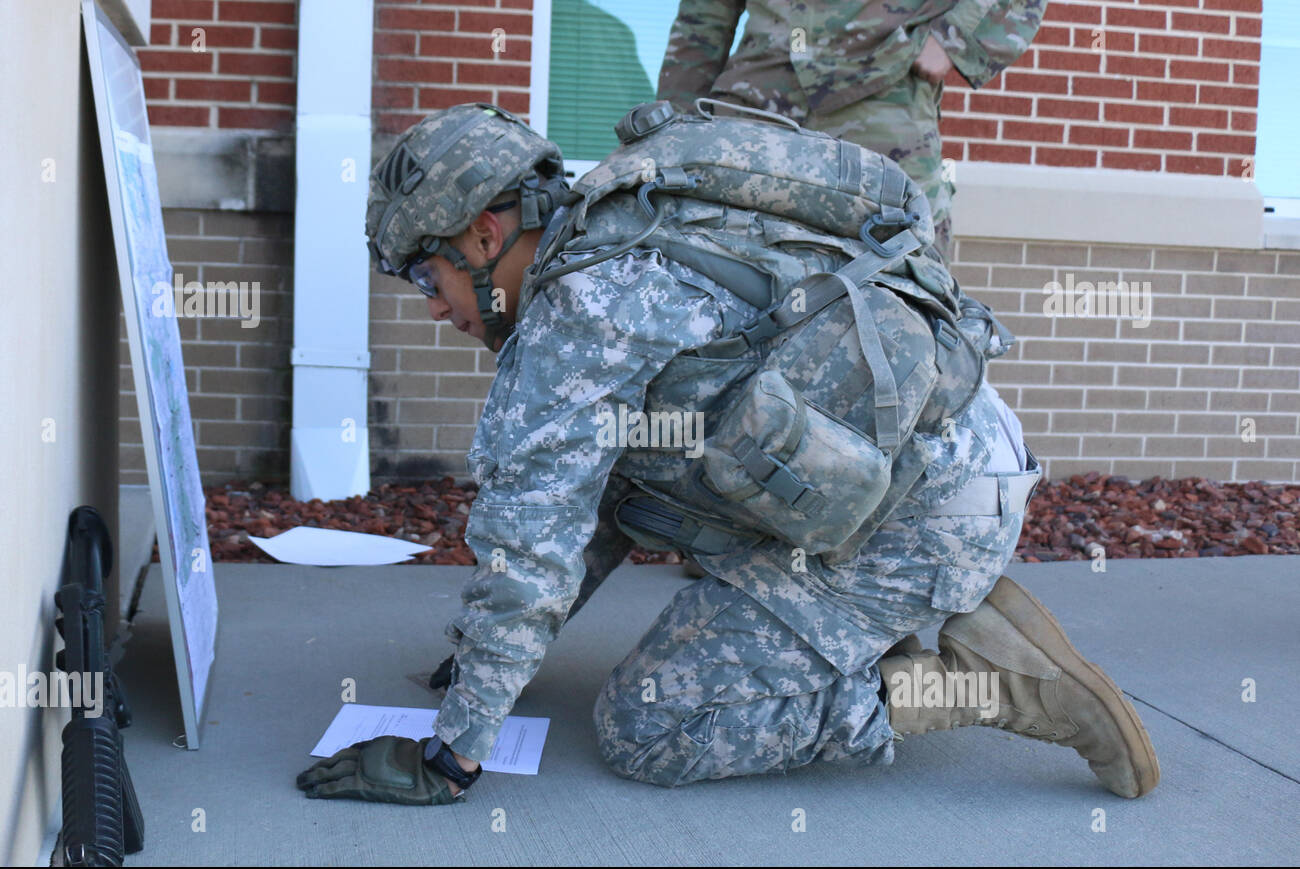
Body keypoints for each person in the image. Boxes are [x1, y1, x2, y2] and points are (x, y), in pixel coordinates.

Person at [295, 102, 1158, 807]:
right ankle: (881, 614)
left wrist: (452, 757)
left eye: (426, 277)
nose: (434, 309)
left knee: (649, 729)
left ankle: (980, 682)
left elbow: (531, 546)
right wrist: (479, 662)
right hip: (951, 459)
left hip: (911, 519)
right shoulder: (633, 214)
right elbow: (601, 499)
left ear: (485, 235)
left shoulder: (576, 317)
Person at [656, 0, 1045, 261]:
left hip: (882, 97)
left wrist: (953, 37)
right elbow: (703, 19)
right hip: (750, 108)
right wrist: (675, 132)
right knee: (714, 272)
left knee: (904, 282)